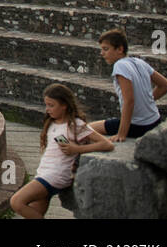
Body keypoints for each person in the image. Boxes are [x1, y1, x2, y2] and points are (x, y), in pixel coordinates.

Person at [11, 83, 112, 218]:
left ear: (64, 105)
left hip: (55, 176)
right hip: (44, 172)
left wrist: (77, 149)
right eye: (46, 105)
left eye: (51, 105)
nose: (47, 109)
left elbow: (106, 144)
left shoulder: (75, 125)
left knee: (16, 202)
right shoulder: (53, 122)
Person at [87, 28, 167, 141]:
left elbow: (129, 101)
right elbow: (166, 85)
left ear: (120, 49)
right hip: (155, 121)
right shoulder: (139, 62)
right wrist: (146, 101)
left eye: (106, 49)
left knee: (85, 130)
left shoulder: (120, 66)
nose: (102, 53)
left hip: (138, 126)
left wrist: (121, 134)